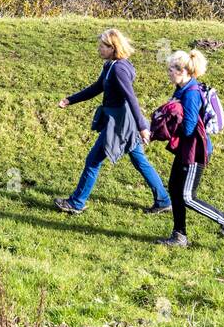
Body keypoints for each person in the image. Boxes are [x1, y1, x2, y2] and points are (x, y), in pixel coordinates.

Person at [53, 29, 171, 215]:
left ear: (113, 47)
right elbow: (96, 88)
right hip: (120, 121)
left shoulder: (119, 69)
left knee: (93, 160)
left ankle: (76, 203)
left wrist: (142, 127)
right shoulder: (110, 66)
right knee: (139, 160)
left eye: (102, 46)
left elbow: (131, 98)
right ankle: (163, 200)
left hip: (121, 124)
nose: (99, 49)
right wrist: (70, 100)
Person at [150, 49, 224, 249]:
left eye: (172, 69)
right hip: (185, 149)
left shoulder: (191, 93)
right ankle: (179, 236)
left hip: (195, 152)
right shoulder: (181, 89)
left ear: (183, 71)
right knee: (174, 189)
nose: (168, 72)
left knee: (187, 196)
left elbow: (189, 126)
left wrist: (167, 127)